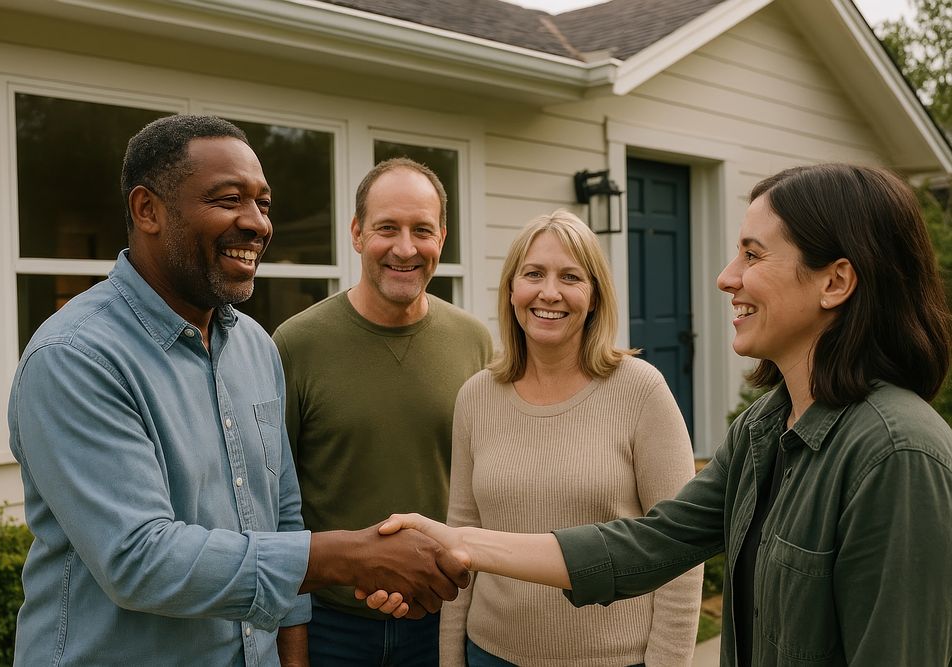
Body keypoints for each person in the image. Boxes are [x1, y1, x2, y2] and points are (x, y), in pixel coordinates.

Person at [374, 164, 952, 666]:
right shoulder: (764, 430)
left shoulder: (897, 455)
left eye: (752, 255)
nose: (727, 277)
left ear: (836, 281)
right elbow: (647, 546)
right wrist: (457, 541)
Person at [8, 115, 467, 666]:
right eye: (228, 200)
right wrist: (348, 557)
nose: (256, 224)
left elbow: (282, 517)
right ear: (146, 210)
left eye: (263, 204)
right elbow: (139, 560)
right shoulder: (76, 357)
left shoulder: (253, 345)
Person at [439, 210, 701, 666]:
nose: (549, 293)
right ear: (512, 289)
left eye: (570, 277)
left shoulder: (642, 391)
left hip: (613, 659)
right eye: (533, 274)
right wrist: (450, 656)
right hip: (491, 653)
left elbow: (681, 552)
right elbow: (461, 536)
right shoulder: (476, 397)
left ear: (595, 296)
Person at [271, 157, 493, 665]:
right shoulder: (297, 343)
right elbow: (276, 508)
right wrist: (294, 643)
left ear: (443, 236)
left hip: (445, 619)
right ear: (356, 232)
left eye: (422, 230)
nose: (405, 248)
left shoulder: (475, 342)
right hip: (331, 627)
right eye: (386, 228)